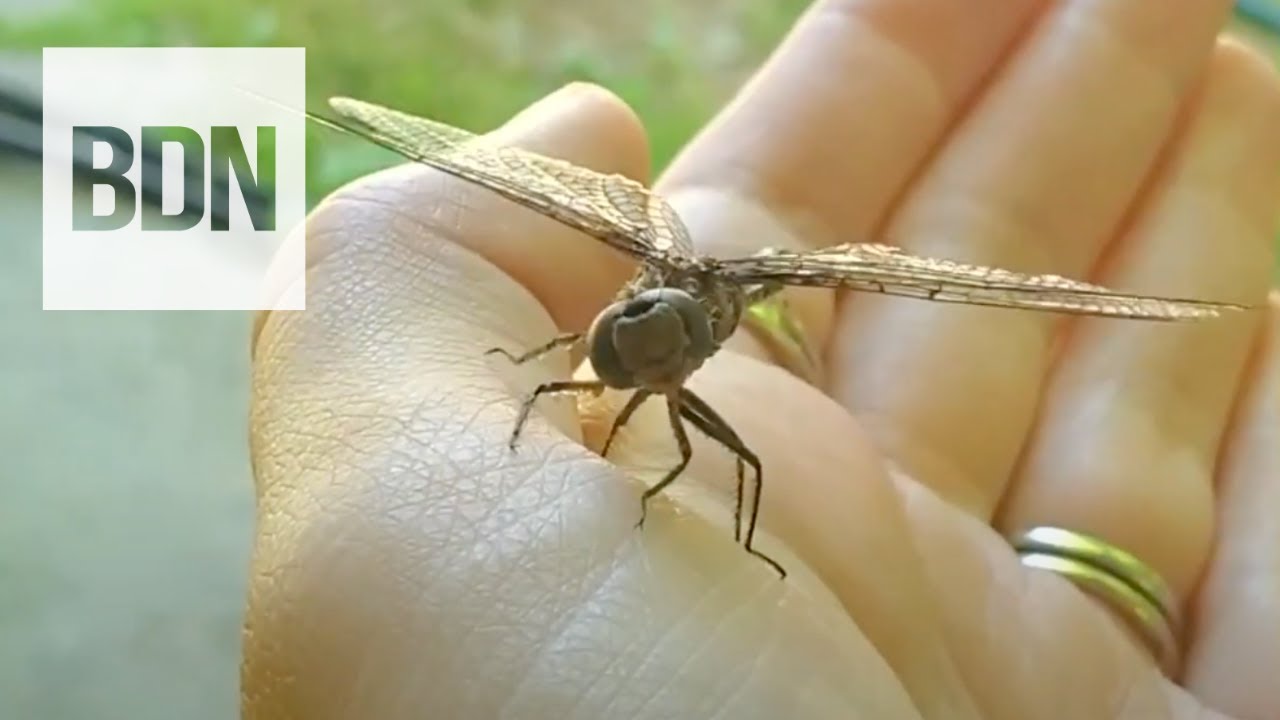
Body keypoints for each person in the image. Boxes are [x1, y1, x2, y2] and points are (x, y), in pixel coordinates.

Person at [242, 0, 1280, 716]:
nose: (633, 363)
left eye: (650, 356)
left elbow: (704, 457)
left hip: (776, 270)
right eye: (624, 341)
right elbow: (595, 347)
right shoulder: (632, 304)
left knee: (730, 458)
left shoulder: (705, 351)